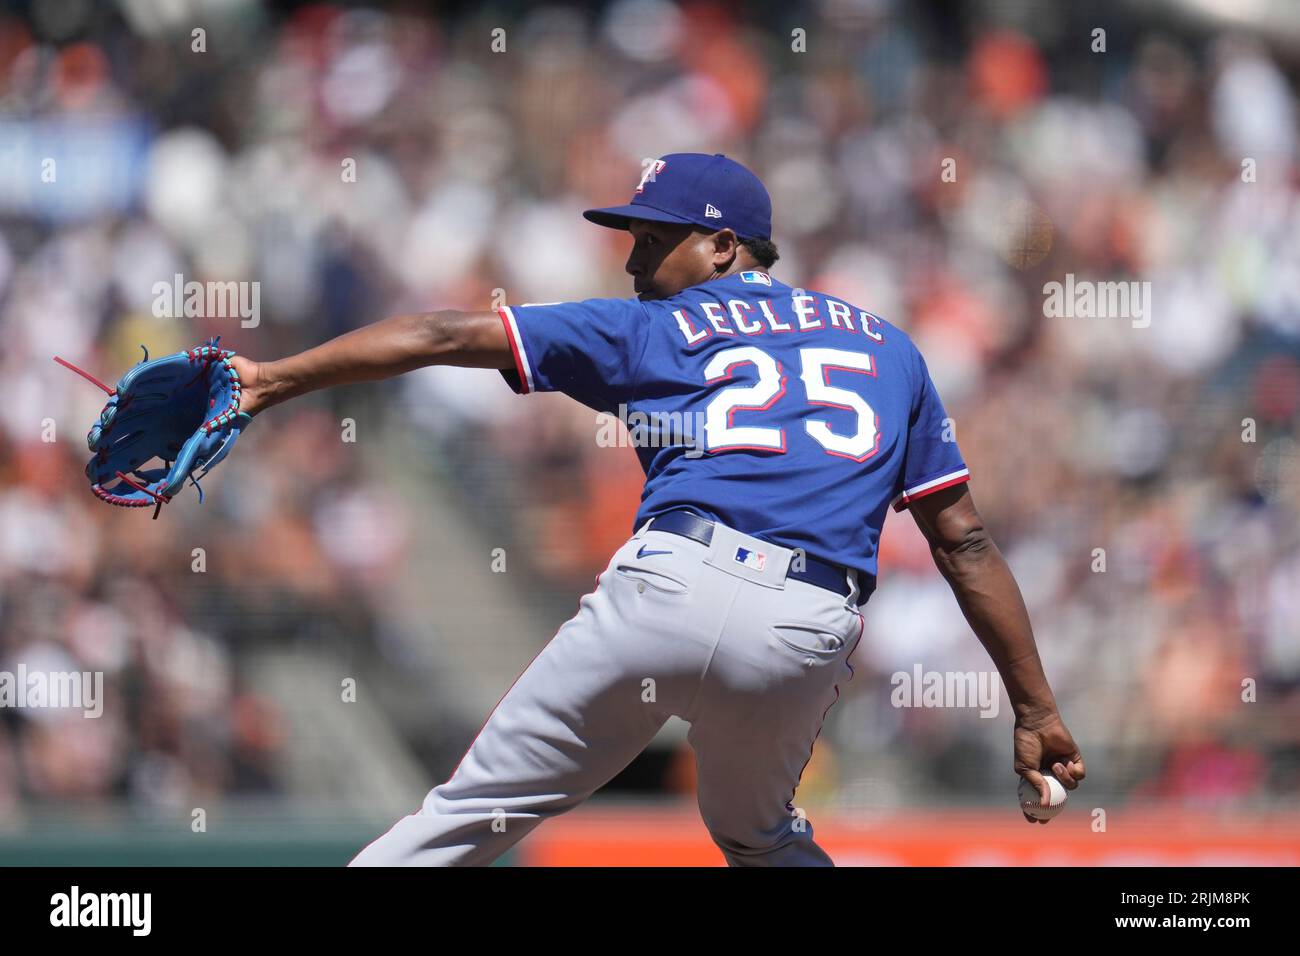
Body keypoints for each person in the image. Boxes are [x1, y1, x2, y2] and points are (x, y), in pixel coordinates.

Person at [230, 152, 1085, 866]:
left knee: (468, 816)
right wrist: (1036, 707)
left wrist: (272, 379)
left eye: (653, 239)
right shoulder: (892, 351)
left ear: (723, 246)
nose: (635, 262)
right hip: (804, 626)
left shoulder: (655, 330)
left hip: (668, 590)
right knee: (760, 840)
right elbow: (963, 542)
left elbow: (444, 335)